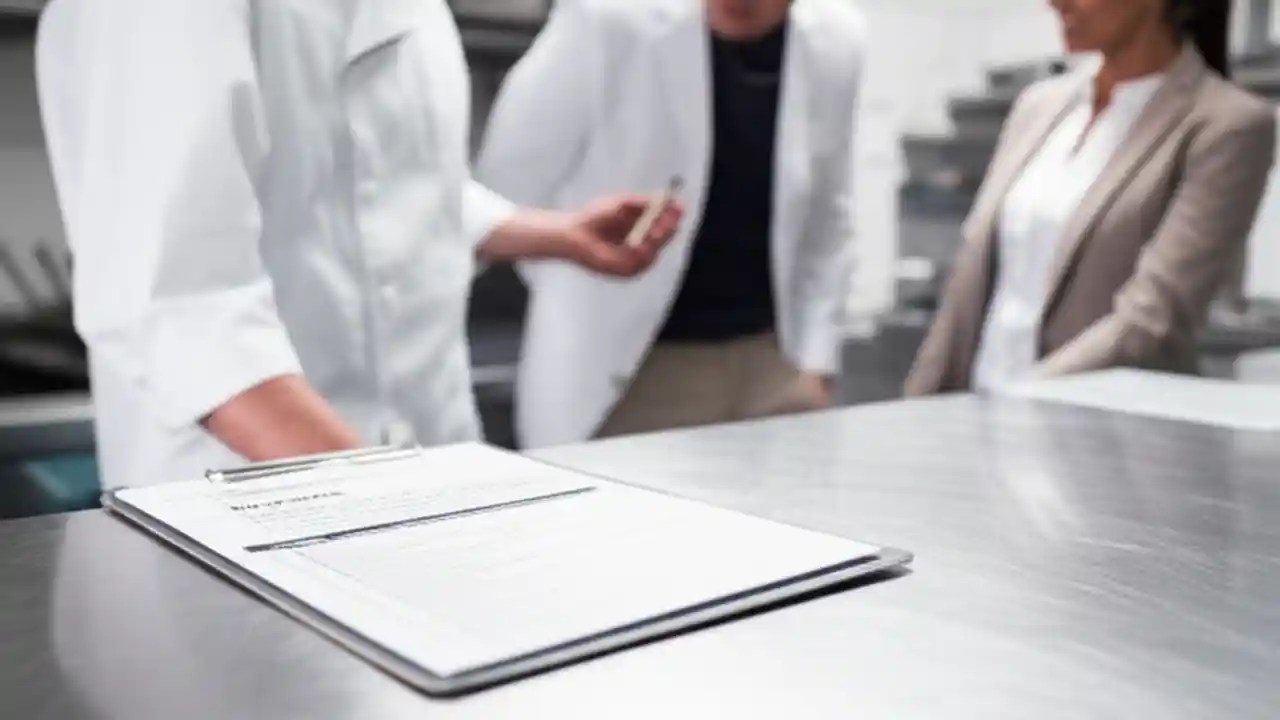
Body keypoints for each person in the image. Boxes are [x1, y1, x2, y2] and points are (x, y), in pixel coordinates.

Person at [35, 0, 683, 488]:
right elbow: (179, 306)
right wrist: (386, 504)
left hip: (424, 466)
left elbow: (401, 187)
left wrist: (558, 234)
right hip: (247, 496)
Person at [477, 0, 867, 448]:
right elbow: (504, 192)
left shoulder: (837, 40)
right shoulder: (607, 18)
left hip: (774, 366)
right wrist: (576, 276)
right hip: (630, 375)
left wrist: (817, 364)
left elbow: (829, 216)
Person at [905, 0, 1275, 396]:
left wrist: (1009, 402)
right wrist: (917, 410)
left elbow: (1152, 320)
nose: (1054, 3)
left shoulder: (1226, 125)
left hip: (1102, 434)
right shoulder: (1038, 107)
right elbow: (966, 290)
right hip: (977, 424)